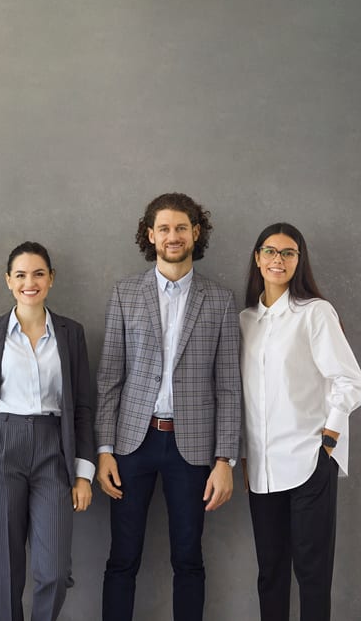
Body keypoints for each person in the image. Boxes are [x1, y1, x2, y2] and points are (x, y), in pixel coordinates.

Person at [94, 193, 242, 621]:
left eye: (181, 228)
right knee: (122, 558)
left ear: (196, 232)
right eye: (164, 228)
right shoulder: (125, 294)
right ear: (150, 235)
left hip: (192, 448)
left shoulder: (220, 300)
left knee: (189, 559)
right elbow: (109, 378)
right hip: (132, 443)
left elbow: (228, 386)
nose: (172, 236)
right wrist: (104, 450)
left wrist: (225, 459)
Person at [239, 223, 361, 621]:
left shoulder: (314, 313)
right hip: (261, 468)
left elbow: (351, 381)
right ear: (257, 258)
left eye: (288, 253)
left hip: (308, 460)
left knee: (312, 574)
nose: (277, 260)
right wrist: (243, 453)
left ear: (299, 261)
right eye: (270, 251)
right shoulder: (245, 320)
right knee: (270, 572)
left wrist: (328, 439)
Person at [0, 241, 97, 621]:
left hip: (54, 447)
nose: (29, 283)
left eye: (38, 274)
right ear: (8, 280)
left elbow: (82, 406)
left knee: (53, 570)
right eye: (20, 275)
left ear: (51, 278)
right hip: (2, 444)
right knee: (5, 568)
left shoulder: (71, 333)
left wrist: (83, 474)